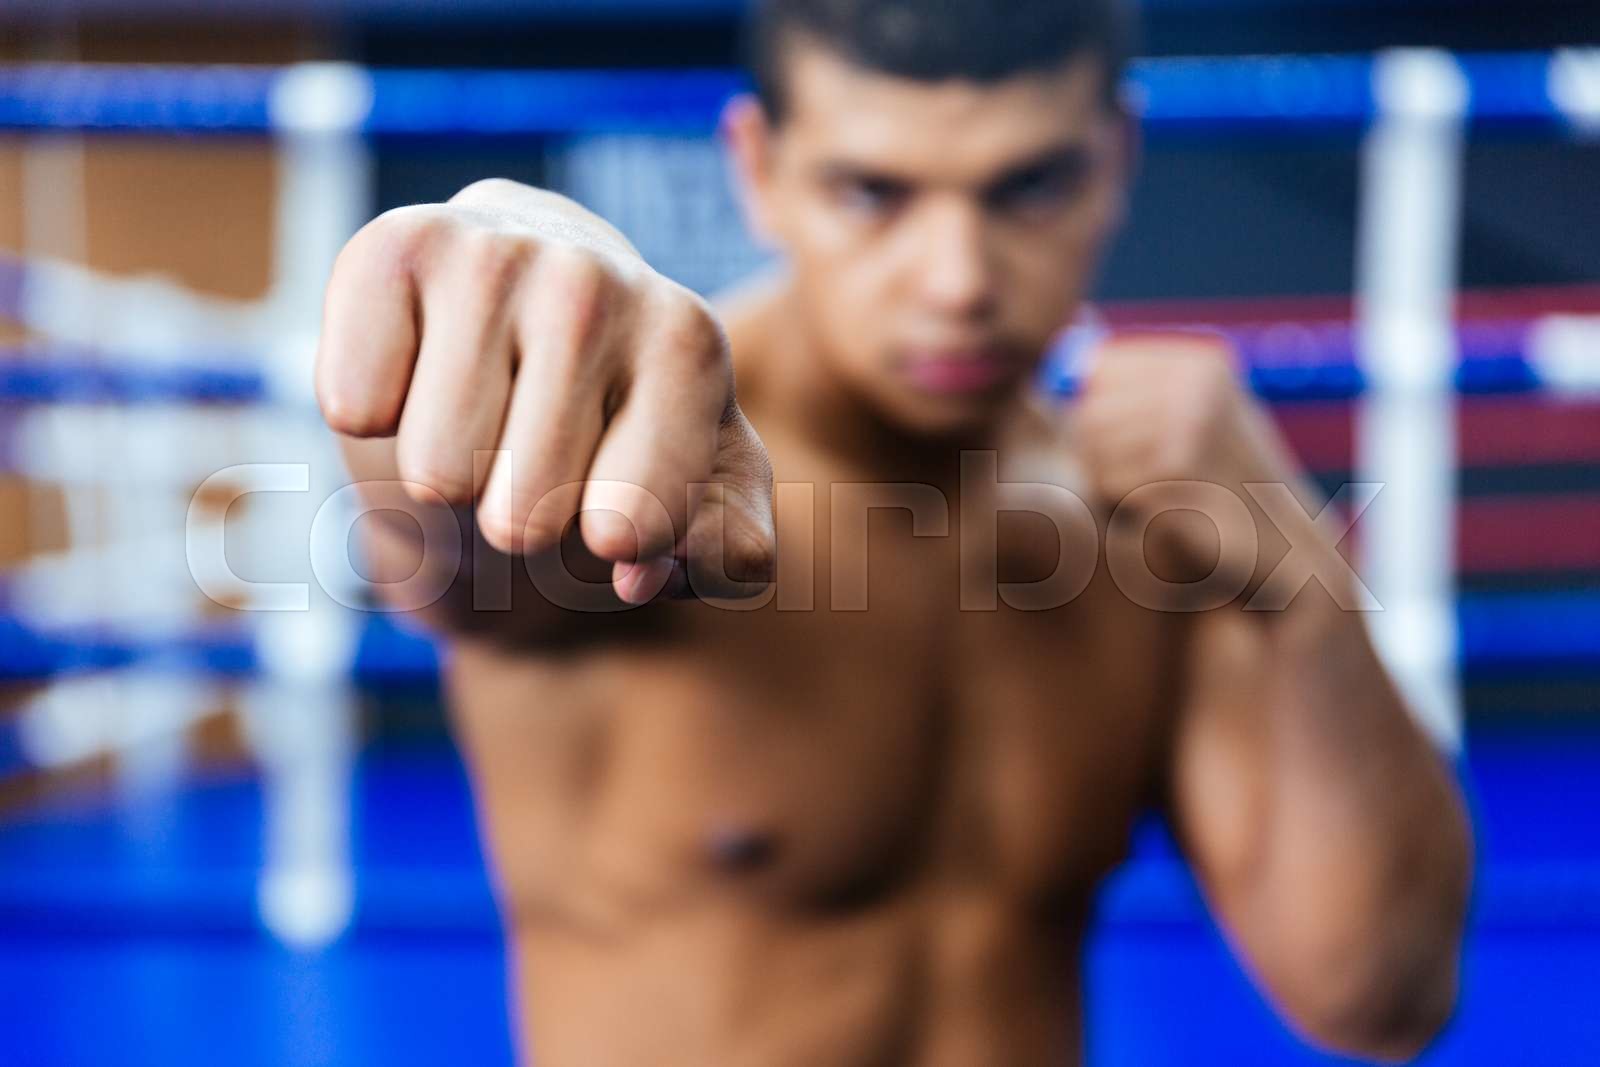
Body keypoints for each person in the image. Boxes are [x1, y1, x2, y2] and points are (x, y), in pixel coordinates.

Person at [316, 0, 1472, 1062]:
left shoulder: (1146, 524)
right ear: (759, 171)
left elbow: (1377, 991)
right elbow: (449, 554)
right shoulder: (658, 478)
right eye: (873, 192)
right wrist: (478, 267)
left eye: (1026, 187)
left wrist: (1306, 573)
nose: (958, 278)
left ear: (1116, 160)